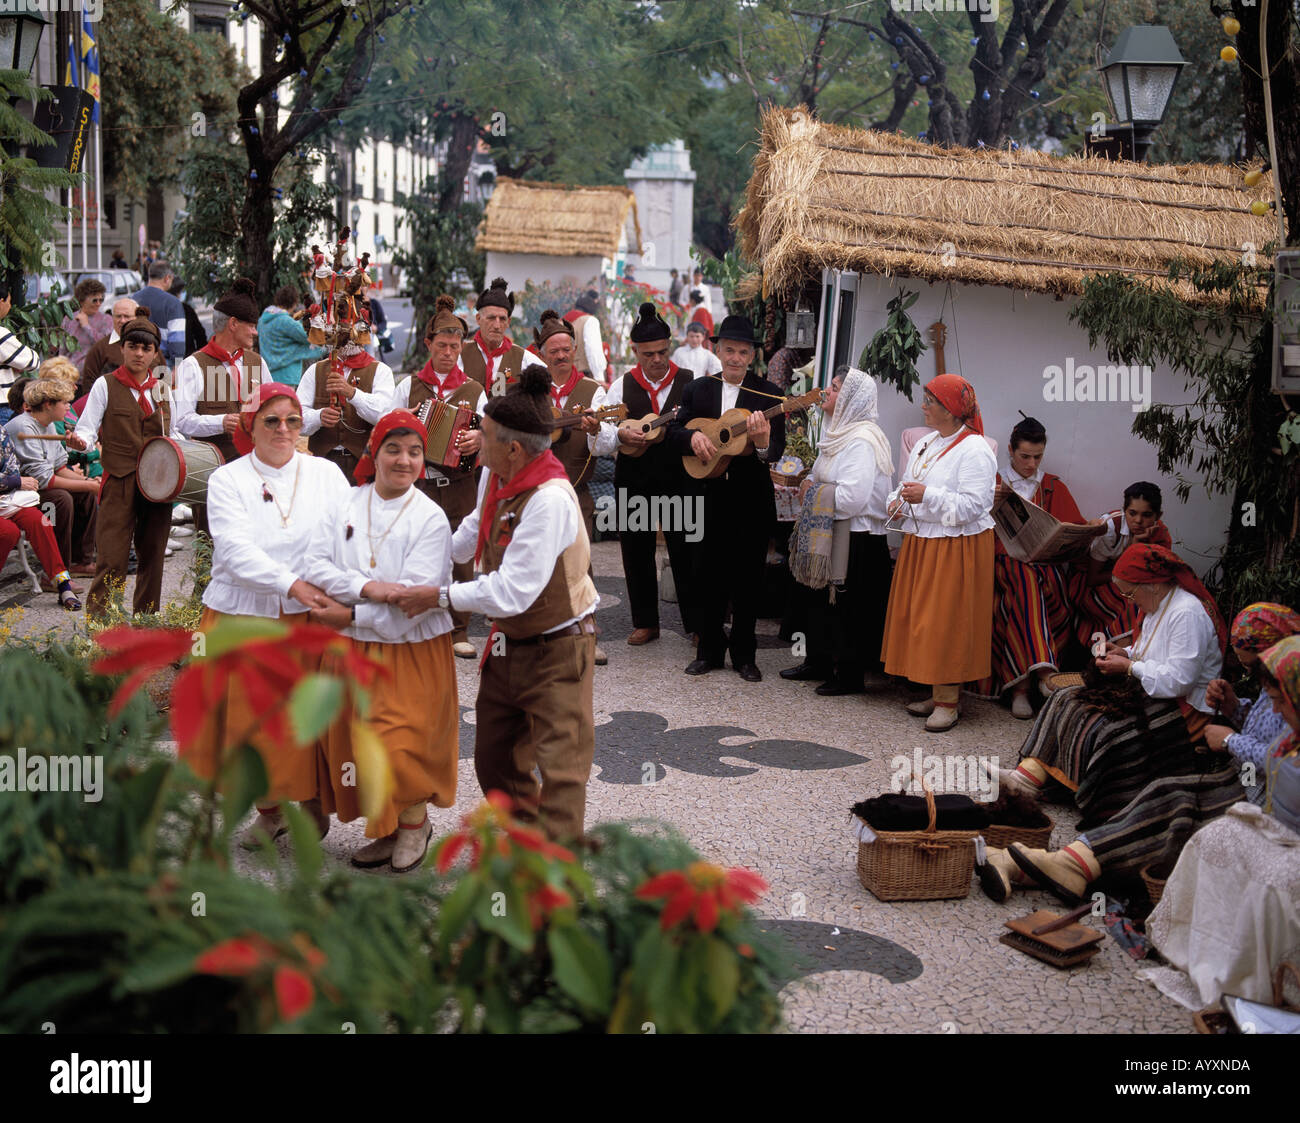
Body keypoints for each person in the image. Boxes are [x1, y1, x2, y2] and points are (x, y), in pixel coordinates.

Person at [392, 365, 599, 842]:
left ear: (513, 447)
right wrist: (404, 562)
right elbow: (466, 539)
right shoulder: (496, 474)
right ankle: (528, 850)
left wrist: (437, 596)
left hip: (560, 649)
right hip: (510, 644)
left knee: (563, 774)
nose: (472, 440)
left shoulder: (549, 499)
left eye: (481, 435)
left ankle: (559, 892)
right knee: (495, 761)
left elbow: (512, 591)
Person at [979, 603, 1298, 903]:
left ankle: (1061, 864)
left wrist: (1231, 741)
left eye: (1254, 667)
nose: (1254, 676)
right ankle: (1059, 861)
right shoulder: (1282, 684)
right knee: (1166, 792)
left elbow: (1285, 765)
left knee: (1177, 811)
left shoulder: (1287, 685)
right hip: (1247, 778)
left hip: (1262, 797)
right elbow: (1264, 730)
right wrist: (1234, 708)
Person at [191, 382, 352, 849]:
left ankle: (311, 800)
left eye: (293, 421)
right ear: (250, 425)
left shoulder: (325, 473)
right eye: (271, 420)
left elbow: (349, 534)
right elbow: (235, 549)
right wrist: (291, 583)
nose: (284, 430)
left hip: (310, 616)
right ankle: (269, 807)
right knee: (247, 722)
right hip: (244, 613)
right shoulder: (228, 478)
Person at [301, 410, 459, 872]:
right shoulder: (346, 504)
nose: (404, 460)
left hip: (409, 649)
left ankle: (414, 825)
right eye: (393, 449)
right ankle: (390, 828)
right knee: (357, 742)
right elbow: (316, 564)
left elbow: (412, 605)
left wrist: (350, 610)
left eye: (414, 452)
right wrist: (369, 590)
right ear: (374, 451)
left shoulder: (431, 519)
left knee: (401, 741)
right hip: (351, 643)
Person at [1004, 543, 1227, 834]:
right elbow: (1152, 649)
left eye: (1130, 593)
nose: (1127, 600)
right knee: (1065, 697)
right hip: (1156, 689)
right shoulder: (1159, 604)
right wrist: (1126, 652)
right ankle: (1027, 778)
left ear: (1153, 585)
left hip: (1184, 709)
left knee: (1102, 724)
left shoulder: (1186, 613)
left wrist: (1130, 667)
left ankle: (1083, 794)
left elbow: (1179, 680)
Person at [1143, 633, 1300, 1009]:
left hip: (1253, 790)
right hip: (1265, 804)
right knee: (1214, 835)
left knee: (1182, 801)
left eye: (1280, 701)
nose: (1275, 710)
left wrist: (1230, 742)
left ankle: (1257, 978)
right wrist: (1234, 708)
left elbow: (1266, 766)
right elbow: (1268, 745)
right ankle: (1211, 957)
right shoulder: (1289, 733)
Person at [668, 313, 785, 683]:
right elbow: (673, 431)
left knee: (748, 578)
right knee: (706, 573)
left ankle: (745, 656)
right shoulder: (698, 390)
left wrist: (763, 444)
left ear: (752, 356)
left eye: (742, 352)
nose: (735, 358)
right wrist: (692, 439)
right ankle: (709, 652)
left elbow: (775, 450)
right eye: (729, 350)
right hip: (707, 494)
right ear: (716, 350)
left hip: (750, 499)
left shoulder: (769, 395)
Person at [880, 374, 996, 731]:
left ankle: (949, 700)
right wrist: (896, 501)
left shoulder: (975, 449)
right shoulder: (926, 443)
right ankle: (937, 689)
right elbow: (905, 485)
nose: (924, 406)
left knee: (946, 620)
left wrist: (926, 496)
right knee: (922, 619)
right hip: (923, 539)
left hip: (955, 545)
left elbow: (976, 505)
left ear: (951, 409)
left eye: (930, 401)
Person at [590, 302, 700, 646]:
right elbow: (604, 434)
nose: (656, 359)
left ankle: (696, 624)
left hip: (680, 480)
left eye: (662, 352)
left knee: (686, 552)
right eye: (648, 353)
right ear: (635, 351)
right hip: (635, 479)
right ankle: (645, 622)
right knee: (637, 553)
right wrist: (622, 434)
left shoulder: (690, 383)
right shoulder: (622, 386)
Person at [782, 367, 892, 695]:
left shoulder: (861, 441)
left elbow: (851, 500)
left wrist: (812, 492)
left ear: (851, 398)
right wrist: (812, 484)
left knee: (847, 607)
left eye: (834, 388)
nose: (825, 392)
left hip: (856, 538)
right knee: (818, 600)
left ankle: (848, 675)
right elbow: (819, 477)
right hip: (833, 532)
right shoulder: (839, 433)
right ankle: (817, 661)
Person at [388, 296, 485, 659]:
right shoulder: (409, 386)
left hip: (459, 485)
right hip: (420, 484)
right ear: (428, 344)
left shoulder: (474, 390)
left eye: (454, 346)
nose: (448, 352)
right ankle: (414, 622)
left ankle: (460, 629)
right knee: (414, 551)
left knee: (461, 558)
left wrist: (479, 437)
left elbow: (491, 429)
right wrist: (405, 421)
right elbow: (387, 431)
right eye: (442, 345)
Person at [978, 415, 1086, 718]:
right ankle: (1041, 675)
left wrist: (1081, 531)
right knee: (1024, 577)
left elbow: (1072, 528)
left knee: (1027, 586)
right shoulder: (992, 483)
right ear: (1010, 452)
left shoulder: (1051, 485)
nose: (1030, 463)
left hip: (1044, 570)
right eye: (1024, 456)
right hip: (1001, 566)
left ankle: (1020, 689)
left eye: (1037, 456)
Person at [73, 315, 176, 617]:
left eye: (146, 349)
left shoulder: (163, 389)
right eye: (133, 347)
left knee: (153, 555)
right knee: (112, 557)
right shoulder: (105, 386)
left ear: (155, 353)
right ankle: (102, 626)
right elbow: (86, 429)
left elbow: (175, 434)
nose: (139, 354)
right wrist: (81, 441)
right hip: (118, 481)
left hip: (158, 483)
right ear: (123, 349)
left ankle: (146, 621)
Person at [535, 309, 609, 665]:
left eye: (566, 349)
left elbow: (611, 441)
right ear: (542, 354)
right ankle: (541, 632)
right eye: (554, 350)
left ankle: (588, 629)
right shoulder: (530, 389)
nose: (561, 356)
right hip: (534, 493)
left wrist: (596, 429)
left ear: (574, 350)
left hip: (576, 488)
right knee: (537, 561)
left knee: (580, 563)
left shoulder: (594, 391)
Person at [174, 279, 266, 538]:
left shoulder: (256, 362)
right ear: (233, 324)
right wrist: (221, 421)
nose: (255, 332)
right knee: (211, 541)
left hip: (253, 468)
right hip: (213, 470)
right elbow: (182, 421)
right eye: (251, 326)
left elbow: (272, 405)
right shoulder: (194, 365)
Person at [5, 377, 99, 579]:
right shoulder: (24, 426)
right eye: (65, 403)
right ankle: (56, 572)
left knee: (86, 495)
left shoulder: (47, 424)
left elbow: (59, 467)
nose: (68, 407)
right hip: (20, 491)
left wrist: (88, 483)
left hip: (40, 486)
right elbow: (45, 480)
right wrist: (89, 486)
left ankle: (81, 560)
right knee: (60, 500)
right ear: (48, 405)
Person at [1072, 480, 1172, 649]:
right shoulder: (1111, 528)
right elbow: (1092, 578)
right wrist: (1133, 550)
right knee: (1132, 603)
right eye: (1132, 513)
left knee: (1156, 601)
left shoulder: (1160, 534)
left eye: (1146, 515)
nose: (1138, 521)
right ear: (1124, 511)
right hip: (1089, 586)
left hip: (1129, 585)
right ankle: (1118, 654)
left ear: (1158, 516)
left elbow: (1159, 578)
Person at [299, 315, 395, 486]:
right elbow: (297, 420)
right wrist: (318, 417)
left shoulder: (381, 371)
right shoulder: (315, 370)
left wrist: (352, 393)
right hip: (323, 465)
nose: (343, 335)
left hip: (364, 465)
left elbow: (385, 416)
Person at [0, 423, 80, 610]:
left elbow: (12, 465)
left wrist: (11, 482)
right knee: (8, 532)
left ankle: (63, 586)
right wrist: (16, 481)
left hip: (8, 498)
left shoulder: (1, 430)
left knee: (41, 521)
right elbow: (14, 476)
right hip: (9, 492)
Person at [459, 277, 544, 397]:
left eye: (502, 319)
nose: (497, 325)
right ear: (478, 319)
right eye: (491, 318)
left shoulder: (523, 358)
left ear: (508, 322)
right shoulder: (461, 354)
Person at [257, 285, 322, 386]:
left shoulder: (262, 320)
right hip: (286, 376)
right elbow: (310, 337)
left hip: (267, 374)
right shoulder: (286, 321)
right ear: (294, 303)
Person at [78, 298, 139, 401]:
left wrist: (164, 411)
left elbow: (162, 378)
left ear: (137, 318)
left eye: (127, 316)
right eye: (118, 316)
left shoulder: (150, 345)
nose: (122, 320)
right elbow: (88, 389)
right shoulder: (99, 349)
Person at [131, 262, 187, 367]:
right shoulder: (173, 303)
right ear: (167, 278)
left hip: (137, 362)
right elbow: (177, 341)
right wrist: (177, 366)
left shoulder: (133, 299)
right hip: (163, 364)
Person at [0, 279, 40, 405]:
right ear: (1, 302)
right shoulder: (1, 335)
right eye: (9, 301)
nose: (10, 306)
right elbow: (32, 362)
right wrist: (15, 363)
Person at [60, 279, 111, 374]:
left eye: (101, 300)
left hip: (94, 376)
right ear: (82, 301)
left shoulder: (106, 320)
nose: (98, 304)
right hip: (70, 375)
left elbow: (105, 346)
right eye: (94, 300)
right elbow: (63, 349)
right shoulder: (69, 319)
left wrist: (87, 326)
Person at [563, 289, 607, 384]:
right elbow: (593, 349)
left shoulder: (562, 322)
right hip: (582, 377)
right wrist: (599, 377)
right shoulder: (590, 321)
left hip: (562, 378)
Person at [169, 277, 208, 356]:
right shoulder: (186, 309)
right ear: (178, 294)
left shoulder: (164, 309)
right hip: (187, 356)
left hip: (171, 357)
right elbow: (200, 335)